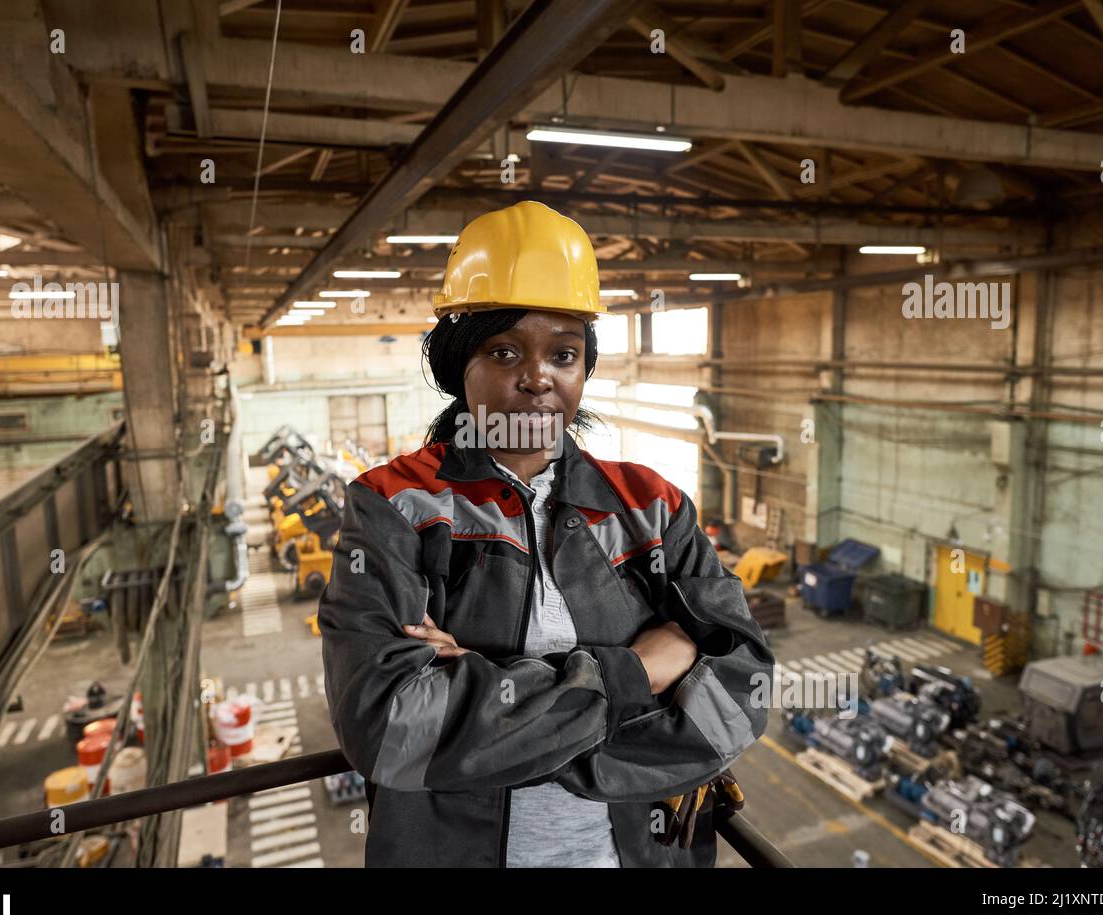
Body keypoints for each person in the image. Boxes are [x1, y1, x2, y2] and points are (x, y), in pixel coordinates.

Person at [318, 200, 773, 867]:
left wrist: (491, 706)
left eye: (563, 352)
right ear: (456, 364)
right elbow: (388, 723)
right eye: (504, 350)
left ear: (583, 368)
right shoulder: (394, 506)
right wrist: (640, 673)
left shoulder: (652, 506)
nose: (536, 377)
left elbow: (744, 687)